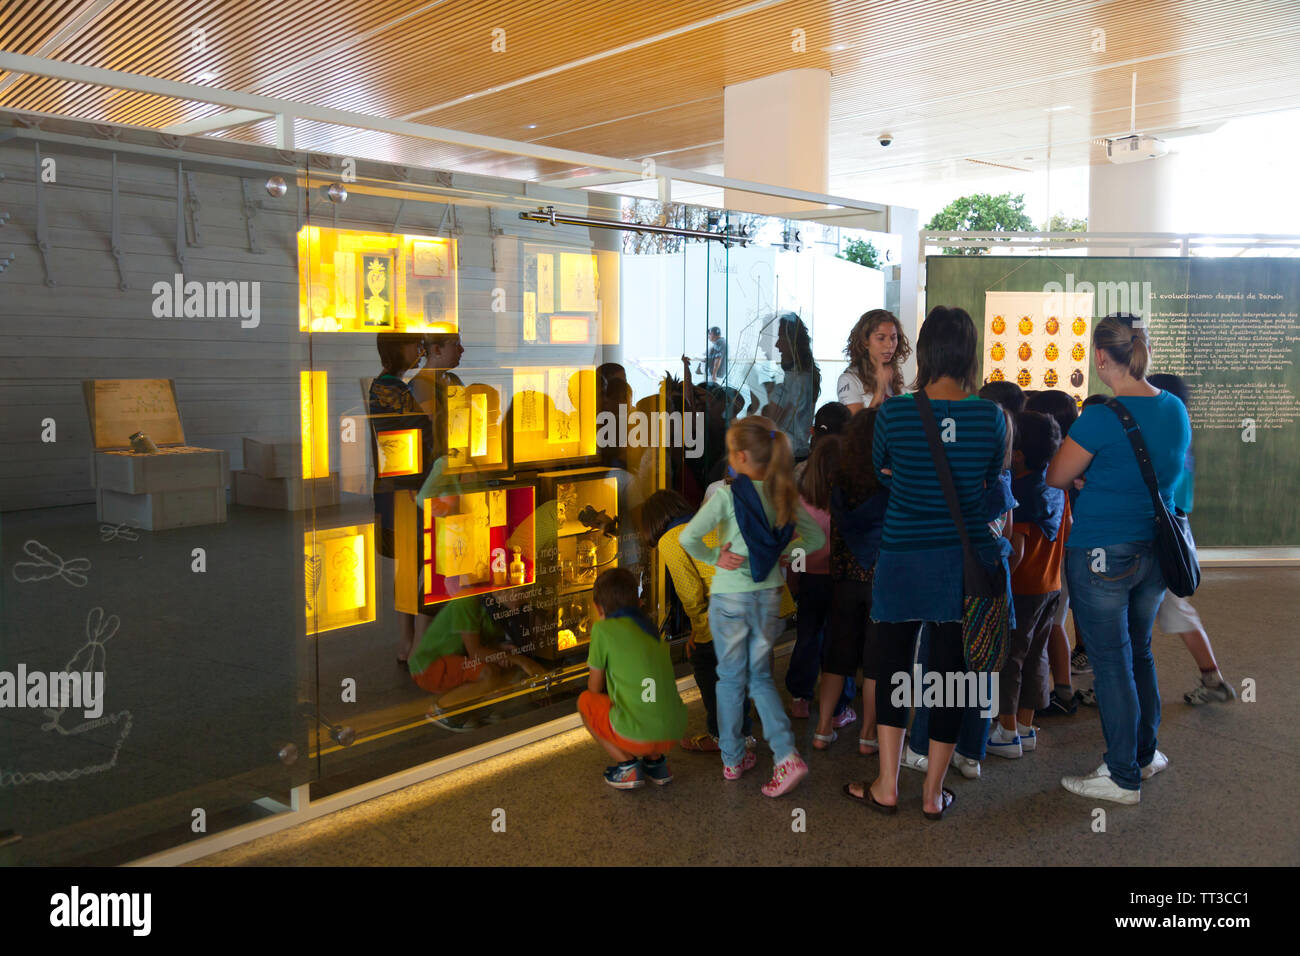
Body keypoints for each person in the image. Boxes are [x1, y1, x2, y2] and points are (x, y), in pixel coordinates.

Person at [843, 306, 1006, 820]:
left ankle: (887, 785)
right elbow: (992, 486)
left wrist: (913, 483)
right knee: (951, 676)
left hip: (902, 558)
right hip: (961, 563)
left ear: (927, 351)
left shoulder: (894, 414)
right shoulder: (992, 417)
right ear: (969, 353)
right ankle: (933, 794)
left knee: (893, 667)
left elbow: (882, 472)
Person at [1047, 315, 1191, 805]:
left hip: (1103, 553)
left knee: (1110, 662)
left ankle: (1122, 775)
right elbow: (1162, 471)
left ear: (1102, 357)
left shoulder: (1100, 417)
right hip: (1155, 549)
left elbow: (1056, 476)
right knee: (1139, 652)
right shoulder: (1174, 407)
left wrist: (1091, 475)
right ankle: (1146, 755)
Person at [679, 416, 823, 796]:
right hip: (768, 596)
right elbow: (815, 539)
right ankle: (785, 753)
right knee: (759, 678)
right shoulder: (785, 495)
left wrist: (716, 557)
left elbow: (688, 538)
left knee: (729, 679)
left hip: (730, 598)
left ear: (742, 457)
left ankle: (733, 759)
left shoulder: (726, 496)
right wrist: (786, 554)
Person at [638, 489, 756, 752]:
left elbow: (690, 593)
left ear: (652, 524)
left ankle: (723, 737)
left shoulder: (671, 539)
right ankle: (742, 735)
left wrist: (701, 630)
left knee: (707, 666)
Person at [1146, 373, 1235, 706]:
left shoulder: (1163, 442)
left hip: (1159, 536)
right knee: (1174, 609)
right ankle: (1212, 679)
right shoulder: (1180, 437)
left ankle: (1113, 688)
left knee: (1132, 611)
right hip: (1173, 534)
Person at [990, 411, 1067, 758]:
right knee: (1036, 655)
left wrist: (997, 580)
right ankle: (1025, 725)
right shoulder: (1056, 485)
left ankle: (1006, 731)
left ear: (1017, 455)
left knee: (1010, 659)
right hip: (1051, 584)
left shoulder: (1020, 490)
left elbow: (1017, 550)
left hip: (1022, 589)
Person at [816, 409, 889, 754]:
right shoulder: (894, 480)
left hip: (844, 579)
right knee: (876, 663)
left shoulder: (839, 479)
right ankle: (868, 736)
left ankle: (821, 729)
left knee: (836, 658)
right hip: (881, 580)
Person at [577, 568, 688, 789]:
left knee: (585, 702)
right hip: (673, 730)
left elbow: (594, 688)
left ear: (598, 608)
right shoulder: (652, 632)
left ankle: (627, 766)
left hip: (637, 735)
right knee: (647, 700)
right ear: (639, 602)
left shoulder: (603, 630)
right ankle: (656, 763)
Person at [369, 332, 435, 664]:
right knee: (414, 564)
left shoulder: (391, 385)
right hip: (406, 486)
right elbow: (421, 428)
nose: (419, 351)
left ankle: (408, 642)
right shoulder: (390, 387)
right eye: (414, 345)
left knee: (409, 565)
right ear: (398, 349)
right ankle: (411, 641)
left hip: (400, 484)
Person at [788, 434, 857, 740]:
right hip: (840, 579)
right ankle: (840, 708)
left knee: (807, 636)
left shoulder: (800, 500)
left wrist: (793, 581)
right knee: (839, 643)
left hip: (809, 578)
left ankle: (800, 698)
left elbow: (795, 547)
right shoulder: (848, 502)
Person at [1024, 389, 1085, 716]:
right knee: (1052, 626)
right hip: (1060, 561)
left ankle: (1060, 691)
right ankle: (1060, 690)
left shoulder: (1050, 470)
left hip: (1048, 565)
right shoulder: (1068, 462)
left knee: (1049, 628)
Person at [413, 595, 546, 731]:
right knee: (488, 673)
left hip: (458, 658)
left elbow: (480, 645)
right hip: (429, 666)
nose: (523, 596)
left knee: (504, 665)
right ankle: (442, 709)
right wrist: (523, 662)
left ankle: (476, 708)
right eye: (517, 590)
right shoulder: (466, 602)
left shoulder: (497, 607)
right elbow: (475, 652)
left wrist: (501, 651)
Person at [764, 313, 821, 459]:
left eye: (781, 337)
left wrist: (770, 393)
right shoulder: (800, 376)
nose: (777, 345)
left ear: (792, 342)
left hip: (788, 454)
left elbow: (773, 422)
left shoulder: (799, 380)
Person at [838, 309, 910, 413]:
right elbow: (857, 423)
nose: (889, 344)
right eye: (881, 338)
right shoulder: (849, 379)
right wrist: (880, 391)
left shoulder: (895, 373)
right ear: (865, 341)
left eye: (893, 338)